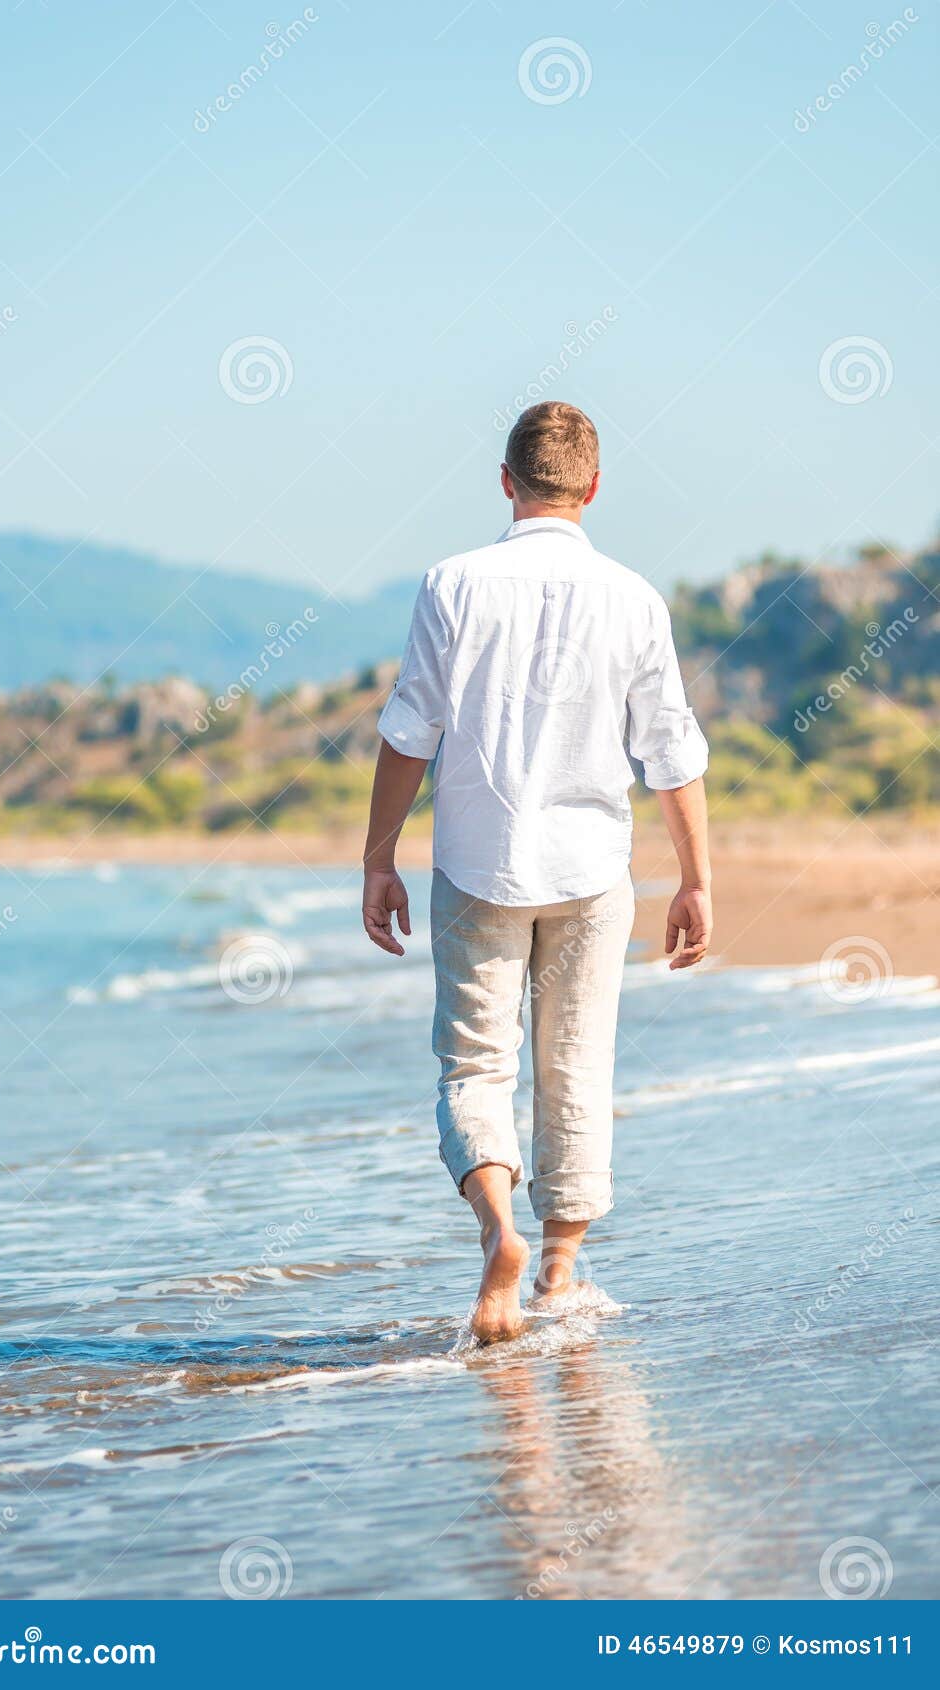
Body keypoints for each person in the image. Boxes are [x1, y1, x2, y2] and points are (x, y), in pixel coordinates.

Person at [361, 400, 712, 1343]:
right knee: (578, 1067)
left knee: (476, 1064)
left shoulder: (451, 584)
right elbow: (671, 751)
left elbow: (408, 730)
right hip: (592, 870)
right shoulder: (635, 596)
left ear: (507, 482)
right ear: (592, 488)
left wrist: (377, 858)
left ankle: (499, 1234)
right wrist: (695, 878)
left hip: (478, 863)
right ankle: (558, 1275)